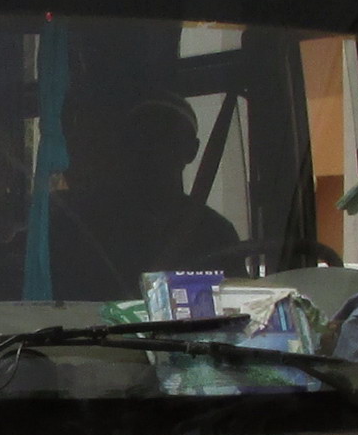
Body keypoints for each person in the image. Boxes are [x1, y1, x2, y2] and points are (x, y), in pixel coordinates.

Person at [52, 87, 240, 300]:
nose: (153, 150)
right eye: (143, 138)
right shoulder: (84, 226)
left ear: (191, 150)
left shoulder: (216, 233)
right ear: (125, 147)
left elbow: (237, 307)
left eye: (167, 139)